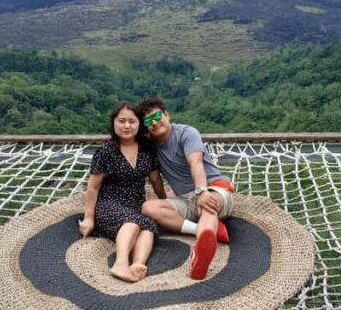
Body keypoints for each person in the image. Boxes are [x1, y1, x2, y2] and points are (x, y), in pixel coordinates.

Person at [139, 97, 235, 280]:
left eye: (157, 116)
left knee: (207, 206)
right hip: (185, 198)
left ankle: (201, 254)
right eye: (148, 121)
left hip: (213, 188)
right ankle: (205, 230)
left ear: (167, 115)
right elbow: (155, 179)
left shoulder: (186, 133)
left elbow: (196, 162)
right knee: (148, 208)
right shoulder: (150, 147)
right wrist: (164, 200)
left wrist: (201, 191)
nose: (155, 123)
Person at [79, 102, 167, 282]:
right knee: (134, 223)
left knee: (148, 227)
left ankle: (138, 264)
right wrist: (89, 217)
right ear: (113, 123)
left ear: (139, 124)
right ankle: (120, 264)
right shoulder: (105, 152)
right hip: (108, 205)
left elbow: (156, 180)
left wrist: (165, 202)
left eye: (132, 121)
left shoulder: (147, 149)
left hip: (135, 206)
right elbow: (93, 187)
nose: (126, 126)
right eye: (121, 121)